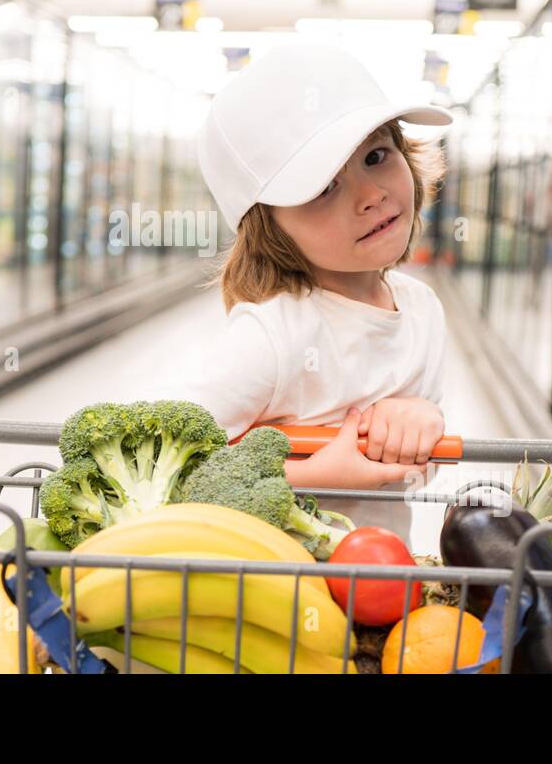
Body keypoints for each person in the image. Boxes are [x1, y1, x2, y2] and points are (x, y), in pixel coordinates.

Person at [173, 41, 453, 542]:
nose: (372, 196)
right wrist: (311, 477)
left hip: (381, 595)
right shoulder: (273, 336)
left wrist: (422, 419)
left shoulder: (423, 311)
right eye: (324, 188)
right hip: (262, 598)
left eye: (376, 155)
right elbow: (164, 469)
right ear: (268, 227)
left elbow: (414, 471)